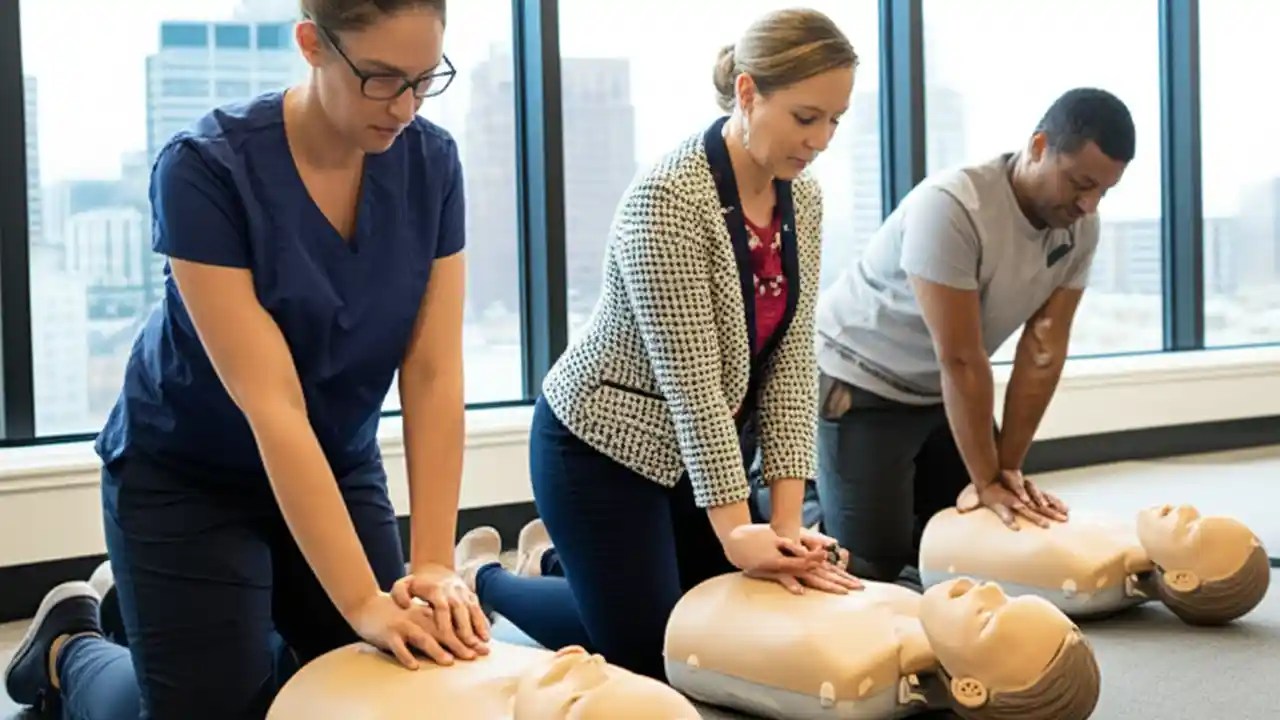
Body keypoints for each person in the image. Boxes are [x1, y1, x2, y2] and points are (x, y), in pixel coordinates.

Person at [3, 2, 487, 718]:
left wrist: (434, 565)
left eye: (424, 79)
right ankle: (70, 647)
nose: (406, 108)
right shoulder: (205, 169)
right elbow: (273, 405)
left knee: (392, 679)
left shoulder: (433, 162)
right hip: (189, 475)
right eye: (381, 79)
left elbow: (433, 372)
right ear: (312, 46)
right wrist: (360, 602)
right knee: (216, 706)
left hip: (334, 460)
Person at [451, 8, 863, 682]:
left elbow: (790, 362)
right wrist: (737, 535)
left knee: (721, 620)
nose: (820, 140)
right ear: (750, 92)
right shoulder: (667, 200)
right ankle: (490, 577)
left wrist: (785, 526)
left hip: (694, 457)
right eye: (805, 117)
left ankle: (570, 565)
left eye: (835, 121)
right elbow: (693, 386)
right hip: (600, 447)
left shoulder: (804, 200)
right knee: (658, 653)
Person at [813, 87, 1136, 584]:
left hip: (940, 392)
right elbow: (961, 357)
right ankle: (787, 478)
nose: (1089, 204)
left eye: (1103, 192)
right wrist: (983, 478)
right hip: (859, 382)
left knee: (979, 532)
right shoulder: (952, 206)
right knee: (873, 561)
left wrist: (1006, 470)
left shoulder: (1079, 228)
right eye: (1079, 183)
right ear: (1038, 146)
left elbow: (1044, 351)